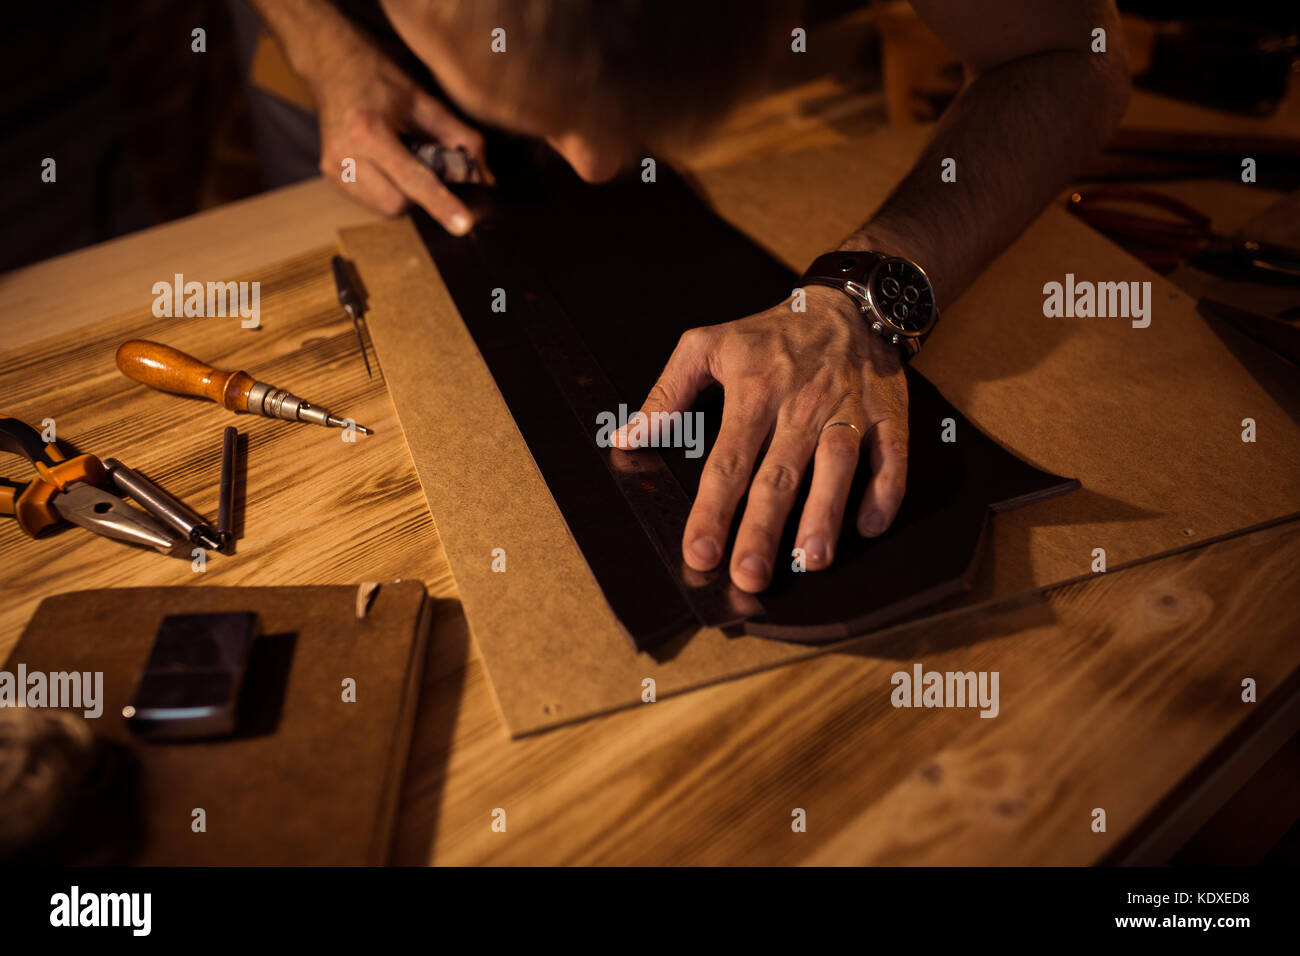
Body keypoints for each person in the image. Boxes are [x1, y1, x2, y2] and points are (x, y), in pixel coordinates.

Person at [249, 0, 1130, 593]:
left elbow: (1070, 57)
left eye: (635, 114)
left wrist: (865, 294)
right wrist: (323, 46)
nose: (594, 166)